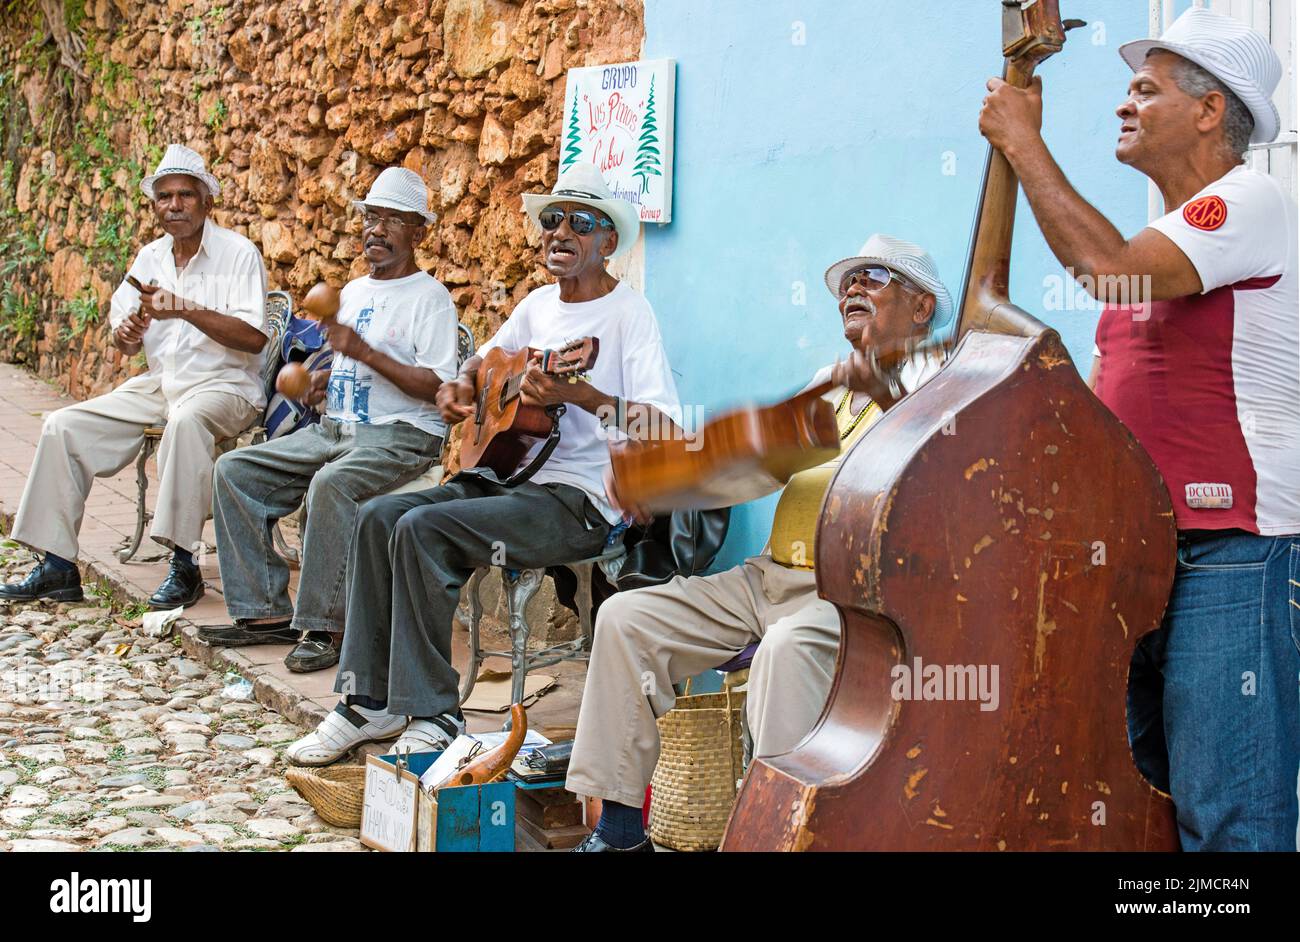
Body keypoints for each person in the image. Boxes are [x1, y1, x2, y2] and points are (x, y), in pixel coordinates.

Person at [980, 7, 1298, 850]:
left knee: (1230, 820)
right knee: (1143, 808)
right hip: (1142, 557)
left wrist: (1024, 145)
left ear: (1208, 110)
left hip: (1231, 552)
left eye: (1145, 90)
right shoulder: (1167, 240)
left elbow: (1108, 272)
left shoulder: (1248, 200)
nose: (1124, 104)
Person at [286, 162, 683, 766]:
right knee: (375, 516)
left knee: (423, 528)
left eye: (580, 222)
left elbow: (666, 427)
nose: (560, 232)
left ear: (609, 241)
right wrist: (464, 387)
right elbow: (486, 361)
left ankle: (434, 711)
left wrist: (581, 396)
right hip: (502, 477)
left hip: (579, 502)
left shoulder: (631, 316)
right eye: (552, 220)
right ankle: (368, 700)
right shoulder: (537, 305)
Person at [566, 234, 952, 851]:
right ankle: (618, 834)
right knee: (625, 618)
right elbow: (760, 464)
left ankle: (778, 839)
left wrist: (886, 387)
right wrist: (666, 486)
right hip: (769, 578)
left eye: (873, 276)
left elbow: (937, 473)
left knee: (786, 648)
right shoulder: (832, 380)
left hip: (852, 595)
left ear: (922, 306)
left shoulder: (943, 381)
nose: (853, 288)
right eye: (847, 280)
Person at [201, 168, 458, 674]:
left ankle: (326, 626)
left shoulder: (430, 299)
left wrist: (362, 350)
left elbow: (437, 387)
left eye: (392, 220)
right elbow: (348, 367)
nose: (376, 230)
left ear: (418, 233)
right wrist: (321, 388)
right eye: (370, 217)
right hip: (334, 429)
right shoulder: (355, 291)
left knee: (331, 486)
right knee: (235, 471)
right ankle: (264, 613)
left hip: (402, 437)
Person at [1, 144, 268, 610]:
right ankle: (58, 567)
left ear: (207, 201)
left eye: (186, 195)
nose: (175, 205)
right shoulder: (149, 258)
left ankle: (184, 565)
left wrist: (182, 307)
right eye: (164, 197)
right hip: (162, 384)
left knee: (186, 422)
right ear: (155, 206)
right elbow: (125, 343)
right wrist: (129, 332)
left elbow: (253, 338)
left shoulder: (238, 254)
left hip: (226, 386)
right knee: (63, 426)